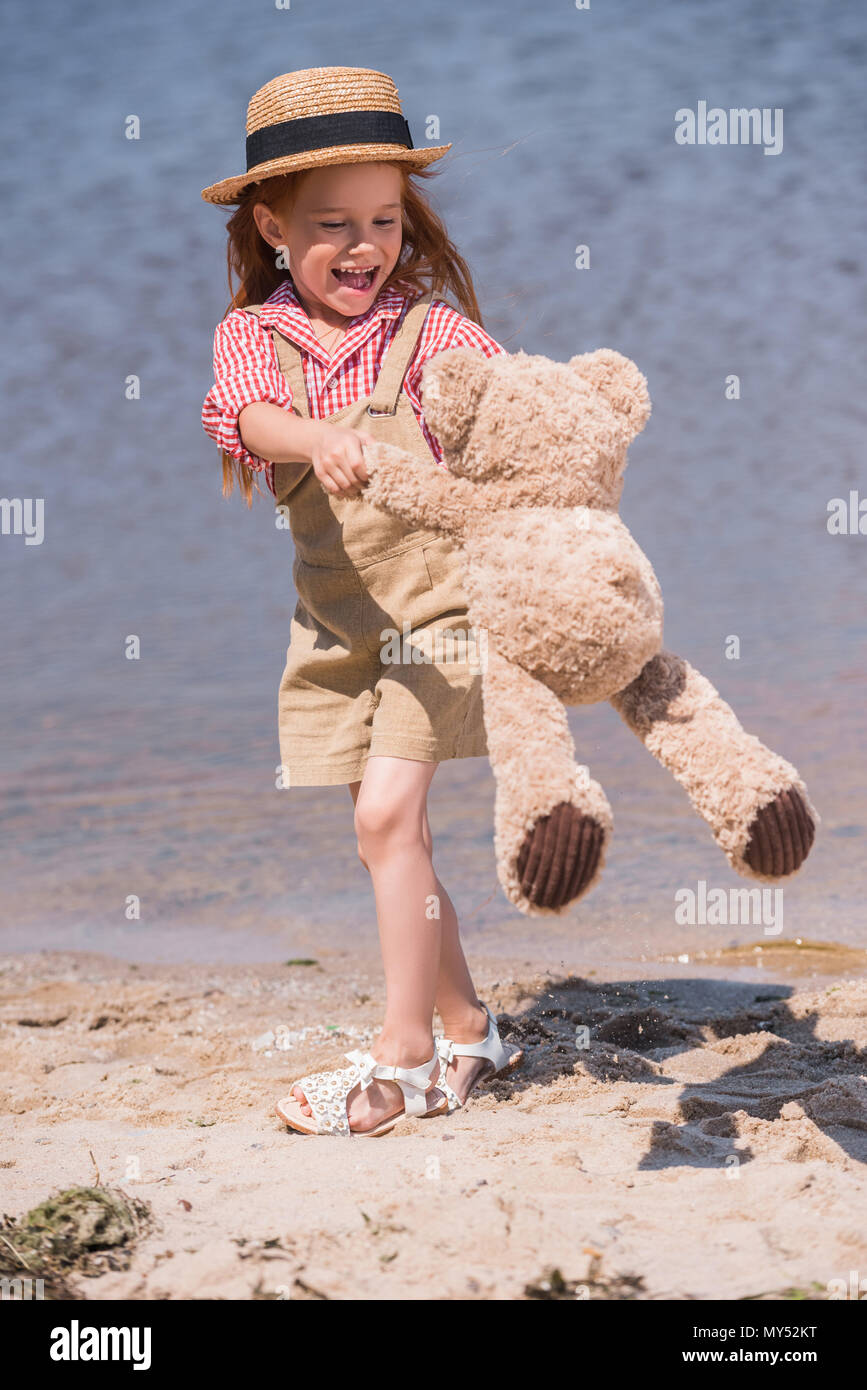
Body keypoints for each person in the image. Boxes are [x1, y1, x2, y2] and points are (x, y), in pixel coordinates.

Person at [201, 66, 522, 1137]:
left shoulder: (431, 335)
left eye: (383, 219)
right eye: (332, 222)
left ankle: (403, 1055)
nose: (363, 244)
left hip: (445, 617)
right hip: (338, 630)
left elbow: (518, 415)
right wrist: (314, 438)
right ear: (272, 224)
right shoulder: (256, 334)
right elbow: (241, 420)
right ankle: (470, 1022)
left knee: (390, 819)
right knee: (394, 842)